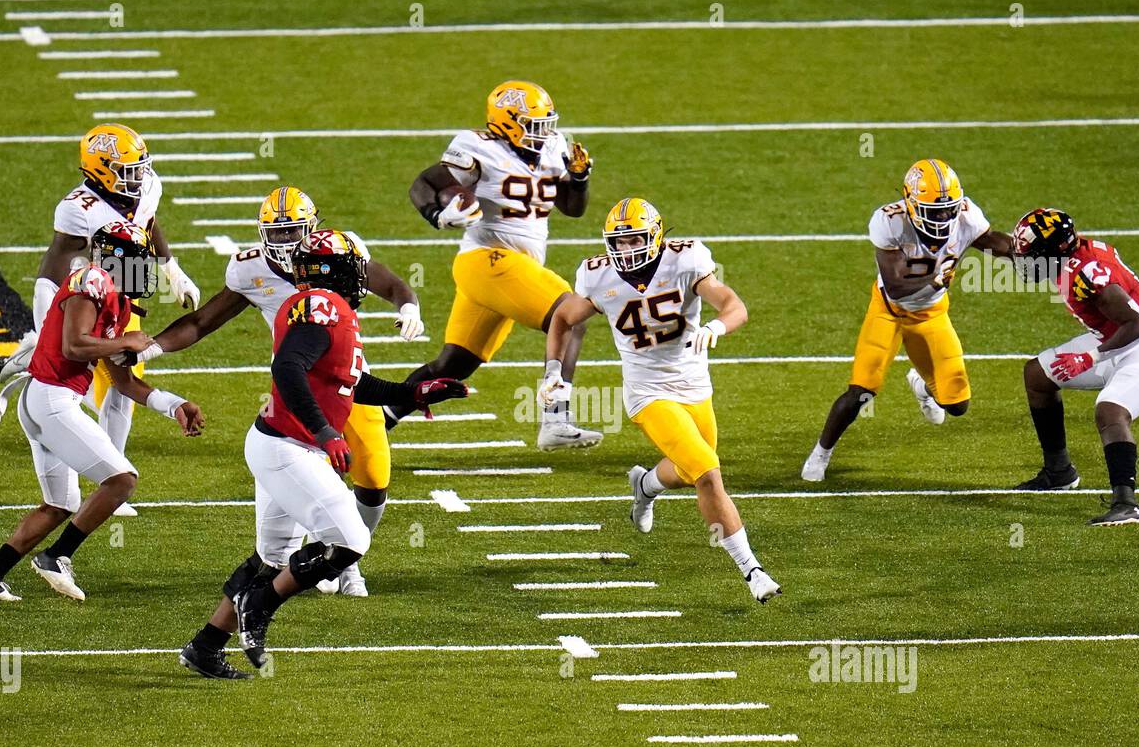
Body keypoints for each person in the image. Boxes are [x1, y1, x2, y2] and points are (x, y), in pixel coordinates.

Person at [178, 231, 467, 679]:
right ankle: (259, 606)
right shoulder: (322, 307)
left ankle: (205, 645)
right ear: (333, 272)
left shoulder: (330, 309)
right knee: (352, 540)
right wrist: (325, 430)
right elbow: (287, 368)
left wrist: (414, 392)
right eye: (353, 267)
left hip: (283, 444)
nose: (361, 275)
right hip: (288, 447)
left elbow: (353, 383)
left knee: (271, 558)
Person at [118, 186, 424, 596]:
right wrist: (154, 345)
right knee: (300, 478)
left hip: (348, 379)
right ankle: (307, 567)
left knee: (373, 479)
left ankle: (345, 559)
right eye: (275, 234)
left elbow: (388, 283)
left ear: (312, 228)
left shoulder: (337, 253)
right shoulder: (251, 270)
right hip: (297, 382)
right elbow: (203, 321)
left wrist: (408, 305)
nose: (284, 244)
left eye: (292, 232)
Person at [542, 198, 781, 604]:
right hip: (647, 392)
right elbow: (564, 317)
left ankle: (646, 485)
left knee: (690, 470)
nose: (625, 251)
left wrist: (716, 327)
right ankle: (752, 570)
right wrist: (553, 372)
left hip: (695, 386)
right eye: (617, 243)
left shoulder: (684, 261)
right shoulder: (599, 277)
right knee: (707, 472)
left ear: (654, 237)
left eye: (634, 239)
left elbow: (734, 305)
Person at [0, 222, 204, 602]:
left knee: (59, 505)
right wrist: (126, 339)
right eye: (137, 261)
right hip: (52, 400)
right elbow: (74, 345)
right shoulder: (91, 280)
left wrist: (175, 405)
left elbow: (124, 383)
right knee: (122, 480)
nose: (143, 271)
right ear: (114, 260)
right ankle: (56, 555)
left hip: (45, 401)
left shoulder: (117, 302)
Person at [0, 122, 201, 517]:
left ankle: (110, 474)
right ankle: (33, 352)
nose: (137, 176)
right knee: (70, 375)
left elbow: (149, 220)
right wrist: (50, 327)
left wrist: (172, 270)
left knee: (122, 382)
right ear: (100, 171)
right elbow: (56, 269)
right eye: (127, 170)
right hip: (77, 295)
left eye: (140, 167)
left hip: (118, 296)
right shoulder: (77, 209)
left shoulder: (145, 185)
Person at [390, 80, 602, 450]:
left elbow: (572, 208)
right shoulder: (478, 146)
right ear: (506, 122)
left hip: (505, 272)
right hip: (488, 260)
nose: (542, 132)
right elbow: (424, 182)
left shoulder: (553, 146)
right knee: (573, 314)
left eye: (544, 123)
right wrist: (439, 214)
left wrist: (580, 180)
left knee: (450, 369)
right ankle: (555, 417)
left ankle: (374, 419)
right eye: (532, 125)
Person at [801, 159, 1014, 482]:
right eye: (935, 211)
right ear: (911, 203)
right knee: (862, 391)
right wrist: (934, 281)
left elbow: (994, 243)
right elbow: (897, 285)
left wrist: (1028, 246)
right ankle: (821, 452)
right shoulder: (890, 222)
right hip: (888, 311)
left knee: (957, 405)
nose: (943, 218)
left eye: (948, 210)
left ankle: (922, 385)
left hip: (931, 314)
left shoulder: (966, 217)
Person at [1011, 208, 1139, 525]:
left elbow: (1137, 324)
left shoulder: (1088, 273)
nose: (1027, 262)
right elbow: (1006, 248)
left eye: (1033, 255)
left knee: (1110, 411)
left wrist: (1090, 357)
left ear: (1057, 250)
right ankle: (1059, 472)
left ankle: (1127, 504)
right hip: (1117, 337)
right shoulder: (1069, 255)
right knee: (1038, 375)